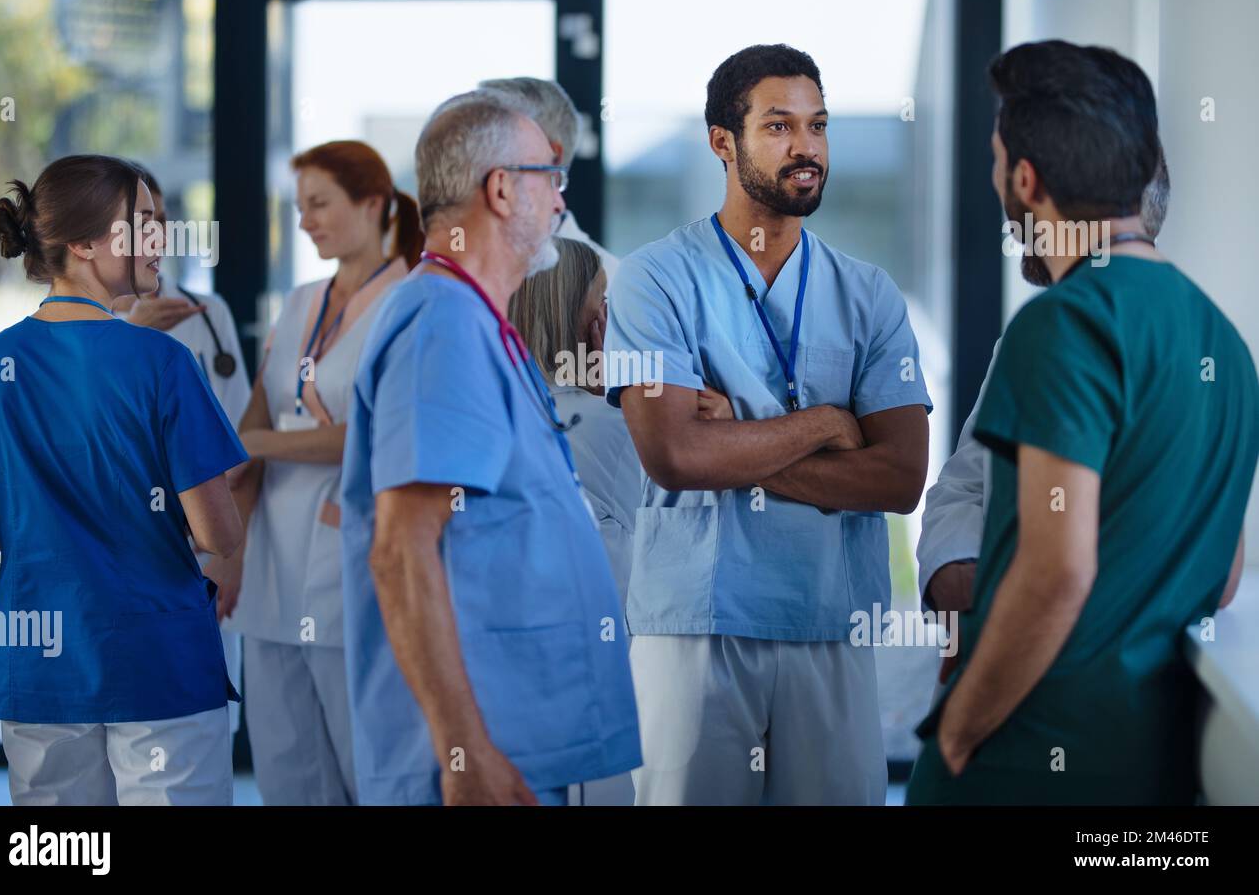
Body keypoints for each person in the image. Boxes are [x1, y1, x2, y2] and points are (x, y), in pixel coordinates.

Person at [906, 41, 1257, 805]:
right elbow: (1223, 578)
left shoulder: (1065, 322)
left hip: (1023, 763)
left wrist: (959, 731)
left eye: (999, 162)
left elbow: (1059, 569)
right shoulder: (1225, 346)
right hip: (1150, 775)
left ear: (1026, 181)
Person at [604, 44, 932, 805]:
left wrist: (736, 437)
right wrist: (826, 421)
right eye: (779, 126)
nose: (806, 147)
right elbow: (675, 456)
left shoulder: (869, 294)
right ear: (724, 142)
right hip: (695, 626)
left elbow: (898, 479)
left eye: (817, 126)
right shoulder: (654, 279)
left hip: (830, 622)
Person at [340, 90, 640, 806]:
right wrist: (463, 749)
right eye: (551, 177)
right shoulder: (444, 324)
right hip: (475, 757)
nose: (562, 203)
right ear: (502, 189)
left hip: (520, 743)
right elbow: (401, 549)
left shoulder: (474, 321)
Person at [0, 154, 246, 805]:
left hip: (39, 666)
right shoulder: (162, 362)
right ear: (85, 244)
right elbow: (219, 534)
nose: (161, 240)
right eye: (143, 223)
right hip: (159, 662)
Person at [220, 140, 422, 804]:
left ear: (372, 203)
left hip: (354, 561)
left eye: (319, 204)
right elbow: (250, 423)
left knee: (368, 764)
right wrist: (228, 548)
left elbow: (372, 436)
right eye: (300, 206)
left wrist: (260, 445)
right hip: (273, 564)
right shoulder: (299, 300)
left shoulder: (412, 300)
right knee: (286, 768)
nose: (305, 220)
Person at [918, 150, 1172, 616]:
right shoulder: (1029, 338)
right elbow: (964, 487)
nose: (1014, 212)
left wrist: (1002, 610)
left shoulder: (1165, 347)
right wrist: (959, 576)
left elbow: (1068, 572)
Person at [111, 163, 253, 734]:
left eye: (162, 220)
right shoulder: (69, 336)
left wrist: (231, 557)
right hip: (116, 568)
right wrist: (133, 335)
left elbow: (236, 452)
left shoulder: (206, 316)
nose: (157, 236)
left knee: (190, 744)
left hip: (195, 561)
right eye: (141, 222)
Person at [508, 234, 649, 806]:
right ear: (584, 320)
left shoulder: (506, 405)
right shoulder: (605, 421)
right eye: (603, 304)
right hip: (605, 658)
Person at [479, 76, 619, 279]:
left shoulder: (611, 288)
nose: (471, 156)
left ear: (552, 159)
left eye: (494, 141)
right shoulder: (462, 256)